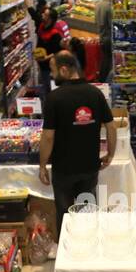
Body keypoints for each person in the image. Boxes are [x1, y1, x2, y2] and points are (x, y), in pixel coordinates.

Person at [37, 51, 117, 240]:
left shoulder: (55, 98)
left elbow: (48, 137)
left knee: (64, 213)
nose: (52, 75)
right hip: (89, 165)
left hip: (63, 168)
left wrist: (42, 165)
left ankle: (67, 251)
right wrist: (110, 154)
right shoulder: (95, 93)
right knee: (88, 209)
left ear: (64, 70)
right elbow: (111, 127)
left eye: (53, 70)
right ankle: (89, 247)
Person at [36, 6, 70, 96]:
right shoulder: (41, 27)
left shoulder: (55, 34)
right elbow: (32, 11)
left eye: (45, 14)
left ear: (50, 19)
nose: (42, 15)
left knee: (50, 89)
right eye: (43, 13)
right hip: (42, 66)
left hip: (51, 67)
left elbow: (58, 52)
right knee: (44, 87)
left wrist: (45, 58)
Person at [94, 0, 113, 83]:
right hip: (108, 36)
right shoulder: (109, 6)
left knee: (105, 58)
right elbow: (111, 24)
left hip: (101, 35)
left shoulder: (98, 4)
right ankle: (105, 80)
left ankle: (102, 78)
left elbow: (96, 21)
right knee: (108, 60)